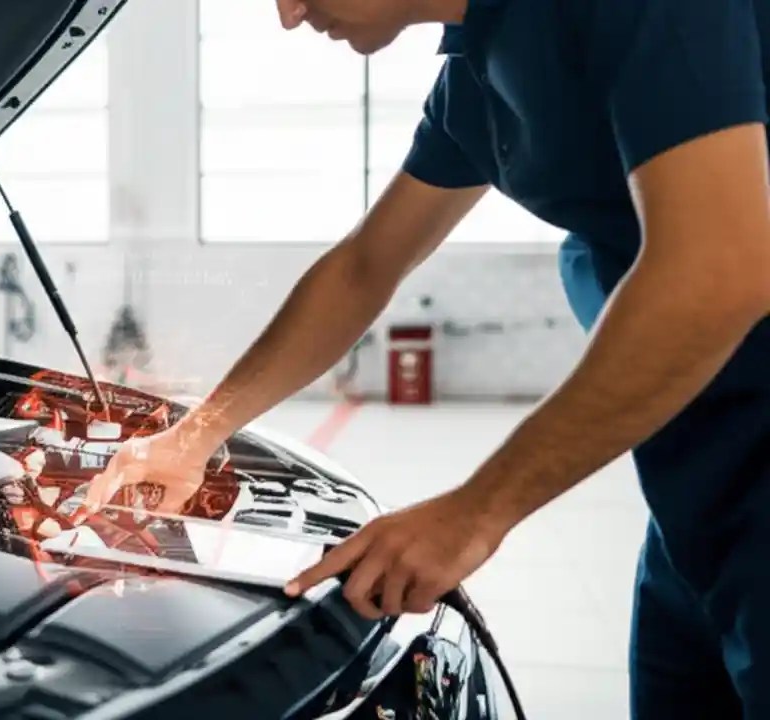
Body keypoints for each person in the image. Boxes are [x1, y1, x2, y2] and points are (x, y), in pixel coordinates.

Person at [83, 0, 770, 716]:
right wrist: (192, 437)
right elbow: (364, 268)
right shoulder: (478, 73)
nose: (288, 14)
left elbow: (717, 270)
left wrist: (472, 514)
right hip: (693, 496)